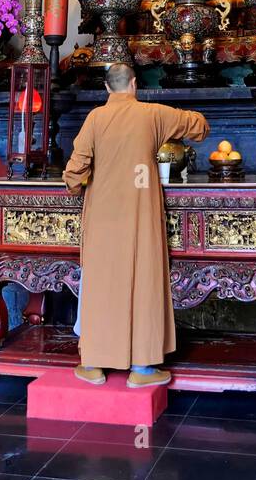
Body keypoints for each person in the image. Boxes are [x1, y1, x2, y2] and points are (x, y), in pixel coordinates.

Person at [62, 62, 209, 387]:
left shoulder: (95, 118)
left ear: (106, 88)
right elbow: (198, 125)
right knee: (144, 283)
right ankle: (142, 369)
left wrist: (76, 184)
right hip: (141, 215)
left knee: (101, 284)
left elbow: (76, 168)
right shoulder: (153, 114)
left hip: (102, 216)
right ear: (133, 84)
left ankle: (95, 365)